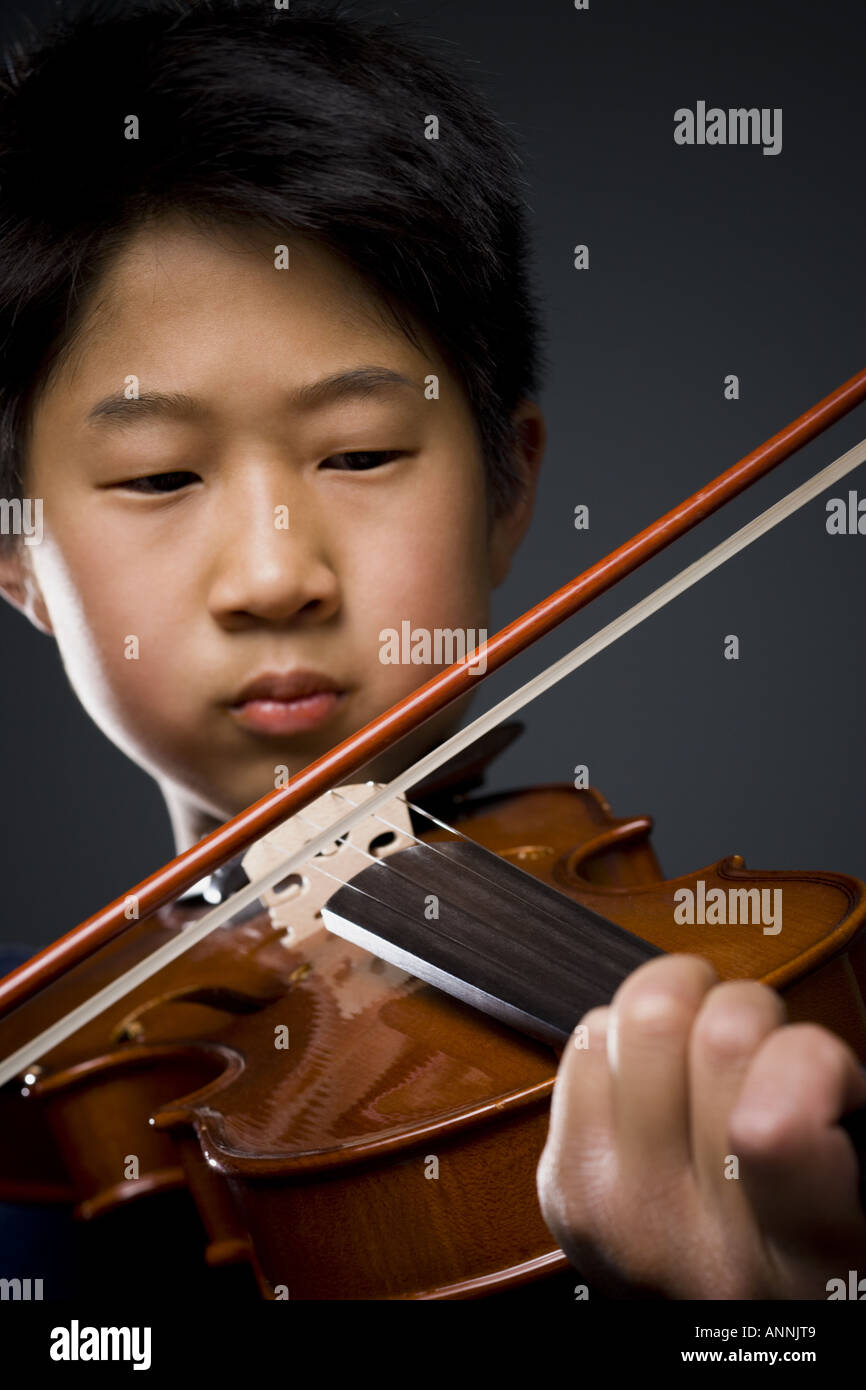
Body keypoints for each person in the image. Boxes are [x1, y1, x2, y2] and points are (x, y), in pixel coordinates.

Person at [0, 0, 861, 1301]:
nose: (277, 574)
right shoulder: (45, 1132)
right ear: (17, 558)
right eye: (160, 473)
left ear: (508, 491)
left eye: (359, 454)